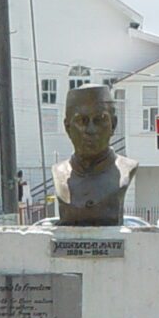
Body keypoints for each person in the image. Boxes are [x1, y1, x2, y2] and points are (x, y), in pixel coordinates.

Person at [51, 82, 139, 225]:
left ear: (113, 125)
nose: (91, 130)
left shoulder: (126, 169)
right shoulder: (59, 172)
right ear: (67, 127)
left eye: (99, 120)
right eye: (81, 121)